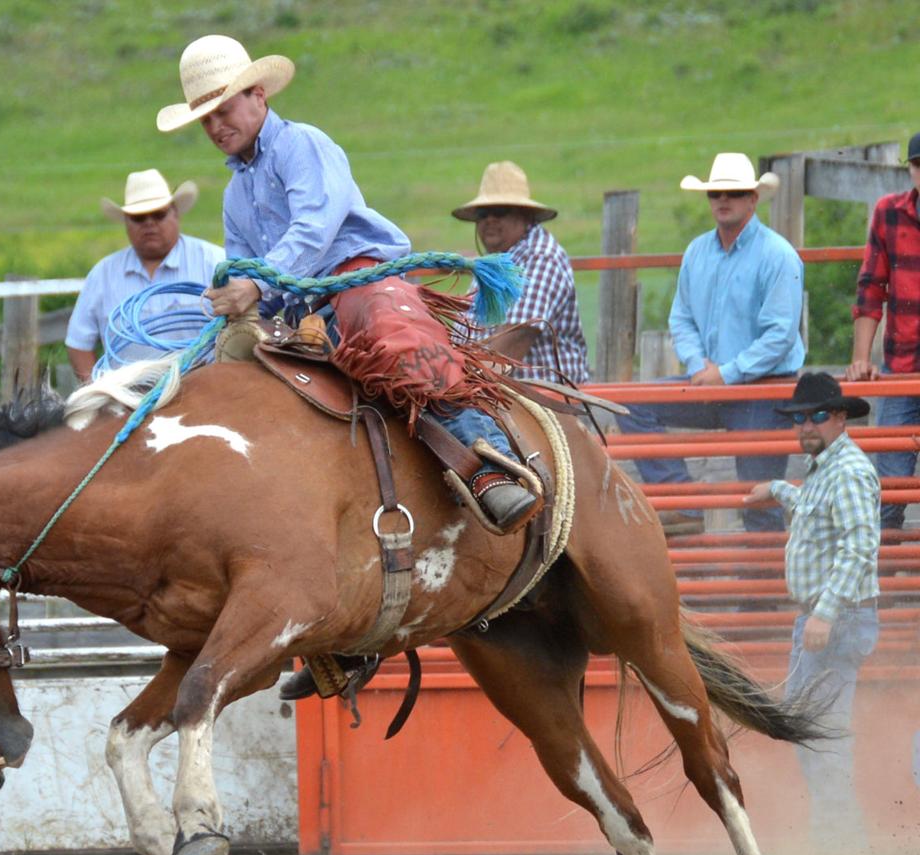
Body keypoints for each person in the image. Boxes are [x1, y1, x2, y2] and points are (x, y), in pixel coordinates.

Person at [156, 35, 533, 533]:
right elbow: (243, 269)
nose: (215, 127)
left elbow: (314, 228)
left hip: (355, 276)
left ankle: (491, 464)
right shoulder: (234, 196)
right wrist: (234, 299)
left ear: (258, 96)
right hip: (298, 314)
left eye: (223, 110)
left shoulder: (301, 145)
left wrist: (256, 286)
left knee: (396, 338)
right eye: (205, 119)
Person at [615, 152, 805, 535]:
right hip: (712, 381)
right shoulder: (697, 251)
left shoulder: (777, 255)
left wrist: (725, 373)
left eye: (733, 193)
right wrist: (699, 365)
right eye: (715, 193)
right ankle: (683, 502)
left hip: (764, 390)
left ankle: (760, 579)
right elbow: (681, 318)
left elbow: (781, 336)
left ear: (752, 199)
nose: (723, 199)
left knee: (759, 502)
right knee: (629, 403)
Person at [744, 374, 879, 852]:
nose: (806, 425)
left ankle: (841, 846)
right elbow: (819, 511)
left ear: (840, 417)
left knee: (820, 736)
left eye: (817, 415)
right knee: (813, 734)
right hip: (827, 618)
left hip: (833, 621)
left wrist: (824, 613)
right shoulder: (828, 468)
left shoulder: (847, 471)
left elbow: (859, 546)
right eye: (800, 417)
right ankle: (837, 841)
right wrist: (780, 488)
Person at [66, 169, 226, 383]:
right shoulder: (102, 275)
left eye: (159, 214)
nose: (149, 224)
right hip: (126, 395)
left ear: (175, 214)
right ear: (126, 222)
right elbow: (78, 343)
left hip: (201, 390)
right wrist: (97, 389)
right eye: (139, 218)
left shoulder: (213, 262)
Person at [451, 161, 590, 385]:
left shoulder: (541, 258)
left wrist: (456, 386)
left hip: (542, 397)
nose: (490, 220)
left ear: (525, 216)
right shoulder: (496, 263)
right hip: (496, 392)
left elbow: (510, 346)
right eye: (483, 214)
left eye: (500, 211)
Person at [847, 131, 920, 534]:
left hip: (902, 366)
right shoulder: (889, 213)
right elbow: (871, 286)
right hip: (903, 367)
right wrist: (861, 359)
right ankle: (887, 567)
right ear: (911, 170)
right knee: (889, 488)